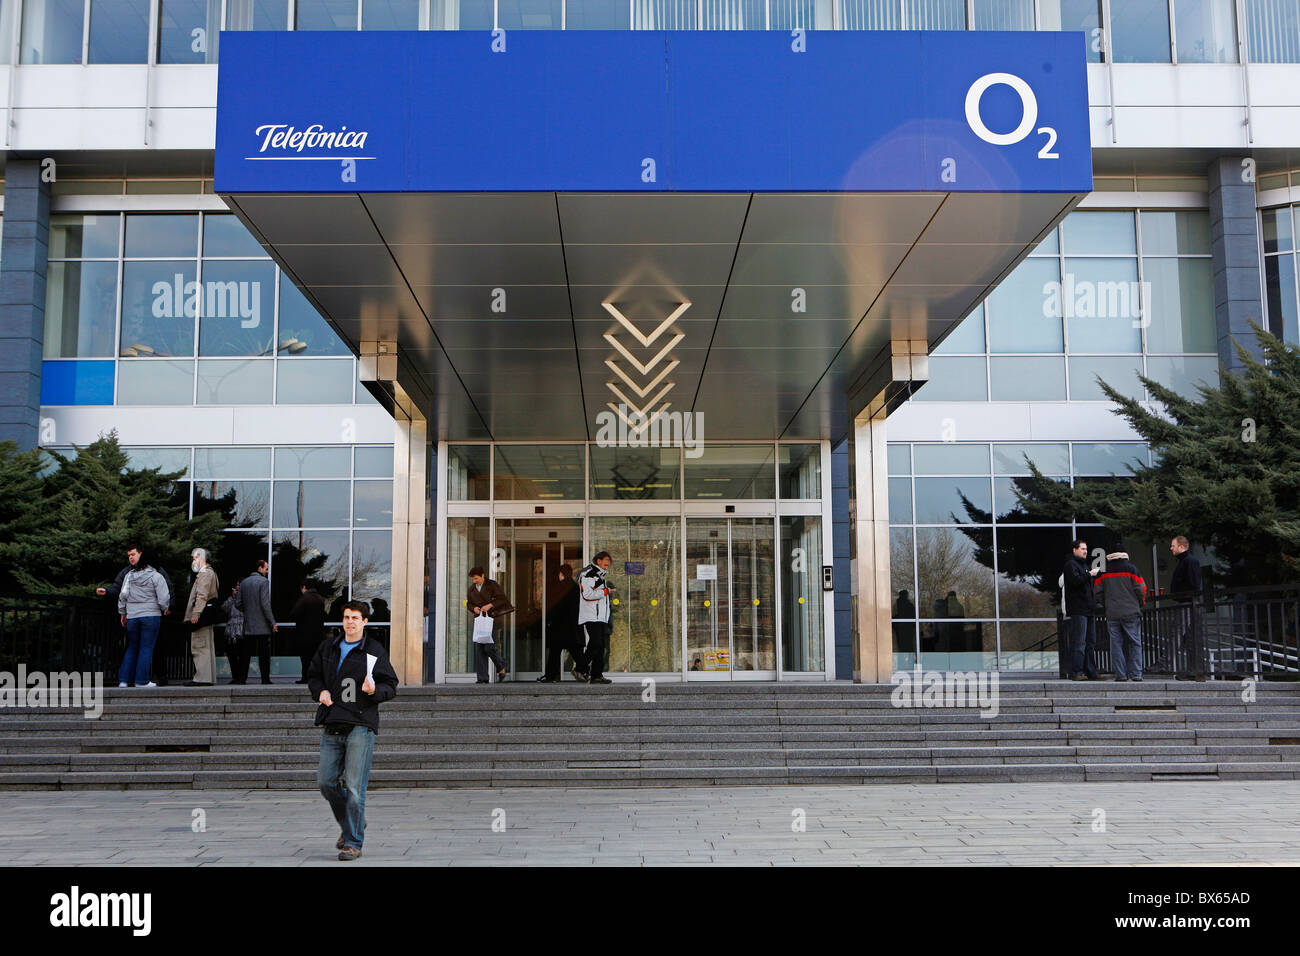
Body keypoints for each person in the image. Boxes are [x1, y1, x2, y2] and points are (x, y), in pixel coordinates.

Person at [308, 600, 399, 862]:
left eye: (355, 618)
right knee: (326, 783)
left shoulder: (373, 650)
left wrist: (374, 691)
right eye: (346, 617)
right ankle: (352, 825)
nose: (350, 622)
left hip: (360, 723)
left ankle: (353, 842)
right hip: (332, 722)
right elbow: (313, 675)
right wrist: (320, 691)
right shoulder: (329, 647)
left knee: (355, 788)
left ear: (365, 622)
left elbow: (390, 686)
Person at [115, 546, 171, 689]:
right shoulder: (157, 576)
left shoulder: (129, 576)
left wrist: (123, 613)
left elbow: (122, 596)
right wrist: (164, 608)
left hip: (132, 616)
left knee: (132, 647)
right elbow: (164, 598)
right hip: (151, 616)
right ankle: (141, 681)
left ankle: (123, 680)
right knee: (146, 648)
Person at [1094, 545, 1146, 683]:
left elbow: (1097, 592)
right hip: (1131, 611)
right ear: (1124, 554)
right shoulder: (1132, 569)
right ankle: (1136, 674)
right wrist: (1140, 603)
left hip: (1112, 612)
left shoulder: (1103, 571)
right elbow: (1141, 589)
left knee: (1116, 644)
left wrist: (1106, 605)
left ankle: (1121, 675)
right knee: (1135, 643)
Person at [1170, 535, 1208, 681]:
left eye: (1173, 545)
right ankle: (1194, 670)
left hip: (1187, 603)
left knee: (1179, 633)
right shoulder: (1186, 562)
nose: (1171, 548)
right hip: (1187, 602)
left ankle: (1165, 663)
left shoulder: (1189, 562)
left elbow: (1194, 584)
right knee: (1189, 638)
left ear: (1181, 546)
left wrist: (1183, 596)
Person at [1062, 539, 1100, 681]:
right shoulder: (1071, 565)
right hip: (1079, 609)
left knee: (1090, 642)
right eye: (1082, 548)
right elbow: (1075, 581)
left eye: (1086, 549)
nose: (1085, 551)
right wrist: (1089, 574)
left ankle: (1090, 671)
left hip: (1088, 609)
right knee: (1079, 642)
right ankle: (1076, 671)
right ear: (1074, 550)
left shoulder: (1083, 565)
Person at [235, 560, 277, 685]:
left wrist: (247, 610)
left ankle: (242, 678)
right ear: (260, 568)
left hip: (248, 625)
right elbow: (265, 604)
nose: (267, 571)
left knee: (245, 653)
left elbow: (238, 603)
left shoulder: (244, 583)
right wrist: (272, 621)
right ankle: (265, 679)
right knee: (264, 655)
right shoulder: (264, 582)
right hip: (262, 625)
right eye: (266, 568)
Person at [466, 566, 510, 684]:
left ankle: (501, 665)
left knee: (489, 647)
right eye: (473, 579)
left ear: (483, 575)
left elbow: (503, 599)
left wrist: (490, 605)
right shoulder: (471, 589)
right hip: (480, 621)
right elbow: (468, 603)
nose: (475, 581)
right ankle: (482, 678)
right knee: (480, 649)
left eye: (476, 578)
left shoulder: (492, 585)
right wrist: (473, 608)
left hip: (492, 620)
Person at [576, 551, 614, 685]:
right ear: (598, 561)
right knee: (596, 643)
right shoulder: (588, 573)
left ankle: (596, 675)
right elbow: (587, 594)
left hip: (600, 616)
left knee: (600, 646)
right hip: (591, 615)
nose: (608, 564)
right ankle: (580, 668)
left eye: (608, 562)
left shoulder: (599, 575)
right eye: (606, 561)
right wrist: (605, 592)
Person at [183, 548, 220, 686]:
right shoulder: (211, 573)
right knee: (206, 646)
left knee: (199, 646)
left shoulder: (204, 574)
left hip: (201, 616)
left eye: (195, 558)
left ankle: (201, 678)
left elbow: (201, 595)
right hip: (207, 616)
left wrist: (196, 614)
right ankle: (207, 678)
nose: (193, 561)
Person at [539, 564, 581, 682]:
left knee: (555, 652)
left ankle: (551, 676)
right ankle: (584, 670)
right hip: (572, 625)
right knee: (575, 650)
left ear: (561, 574)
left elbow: (554, 607)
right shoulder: (575, 587)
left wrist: (548, 620)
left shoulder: (558, 587)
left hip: (559, 625)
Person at [291, 580, 328, 684]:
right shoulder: (320, 599)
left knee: (305, 658)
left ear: (304, 587)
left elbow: (294, 614)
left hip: (305, 633)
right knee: (317, 658)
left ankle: (305, 677)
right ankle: (318, 678)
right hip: (318, 633)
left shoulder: (304, 599)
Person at [222, 582, 245, 683]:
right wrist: (232, 598)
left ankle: (241, 677)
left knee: (242, 655)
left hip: (242, 630)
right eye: (236, 589)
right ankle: (235, 677)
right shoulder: (231, 600)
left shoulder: (246, 600)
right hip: (231, 631)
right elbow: (224, 609)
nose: (237, 591)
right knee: (232, 655)